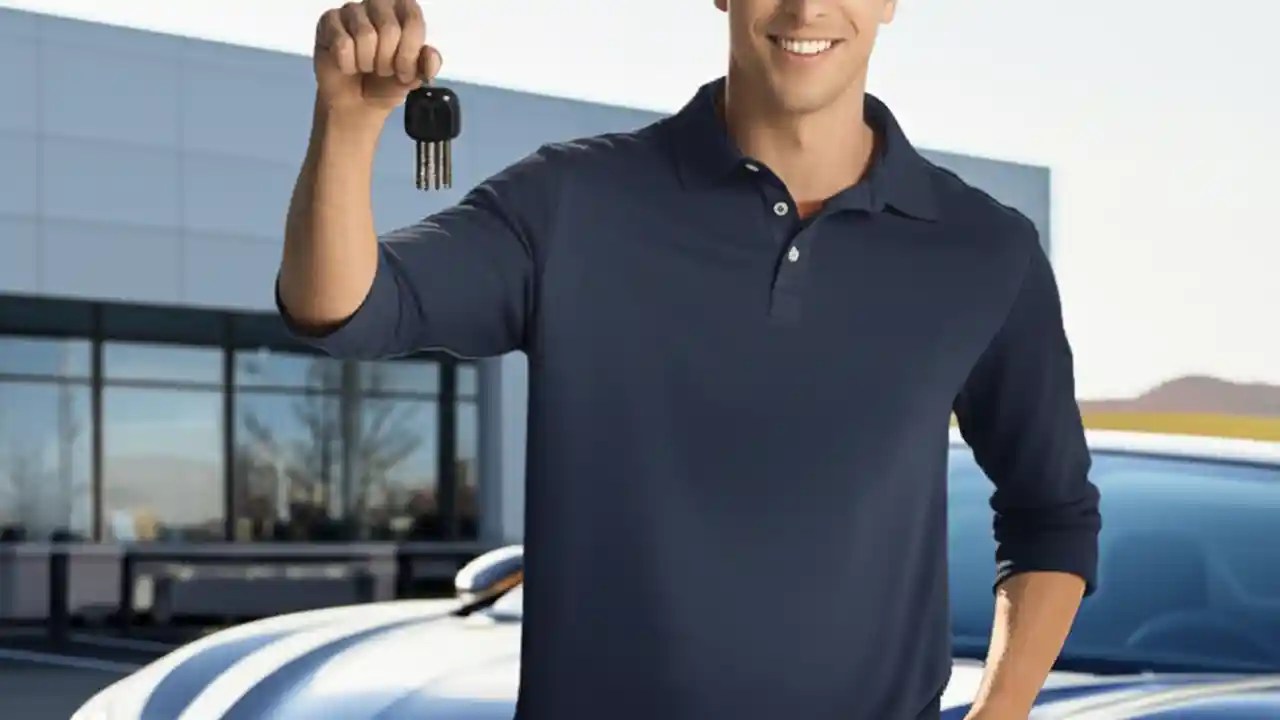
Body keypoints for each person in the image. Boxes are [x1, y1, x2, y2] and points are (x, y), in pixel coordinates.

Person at [277, 0, 1102, 718]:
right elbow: (349, 308)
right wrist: (347, 127)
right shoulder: (574, 203)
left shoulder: (985, 252)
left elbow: (1051, 516)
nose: (807, 6)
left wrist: (999, 712)